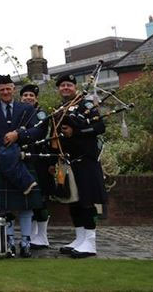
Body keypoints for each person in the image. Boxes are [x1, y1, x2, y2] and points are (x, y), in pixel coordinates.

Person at [0, 75, 45, 258]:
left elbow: (38, 130)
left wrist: (18, 135)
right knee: (4, 207)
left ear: (13, 89)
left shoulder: (26, 109)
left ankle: (25, 242)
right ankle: (9, 242)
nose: (6, 92)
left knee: (26, 206)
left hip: (23, 161)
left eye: (8, 89)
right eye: (2, 89)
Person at [54, 74, 106, 259]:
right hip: (69, 161)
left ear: (75, 87)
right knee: (74, 200)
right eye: (62, 86)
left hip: (86, 160)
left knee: (87, 201)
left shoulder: (87, 105)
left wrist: (76, 132)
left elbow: (100, 127)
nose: (65, 88)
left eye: (69, 85)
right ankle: (80, 238)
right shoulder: (60, 108)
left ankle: (90, 242)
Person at [19, 83, 52, 249]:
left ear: (36, 99)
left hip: (39, 160)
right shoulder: (19, 113)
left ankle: (43, 236)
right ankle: (32, 235)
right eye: (25, 95)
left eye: (31, 95)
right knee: (29, 199)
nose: (28, 98)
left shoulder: (41, 114)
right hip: (24, 160)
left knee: (40, 200)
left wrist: (18, 134)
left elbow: (37, 132)